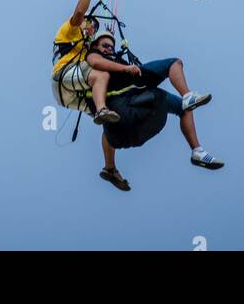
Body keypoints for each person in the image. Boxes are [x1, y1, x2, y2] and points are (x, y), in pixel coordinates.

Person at [86, 28, 224, 189]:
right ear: (95, 46)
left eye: (111, 46)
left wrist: (110, 36)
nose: (109, 49)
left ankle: (197, 152)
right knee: (112, 117)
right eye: (105, 45)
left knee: (184, 105)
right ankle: (109, 168)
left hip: (132, 106)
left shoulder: (117, 63)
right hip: (126, 107)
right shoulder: (95, 58)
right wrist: (125, 68)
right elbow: (95, 61)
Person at [51, 0, 123, 126]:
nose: (92, 28)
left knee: (111, 120)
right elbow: (78, 13)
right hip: (62, 76)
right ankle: (101, 110)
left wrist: (108, 40)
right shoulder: (70, 30)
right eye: (89, 22)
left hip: (70, 95)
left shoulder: (88, 47)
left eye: (95, 28)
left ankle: (105, 117)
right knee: (101, 75)